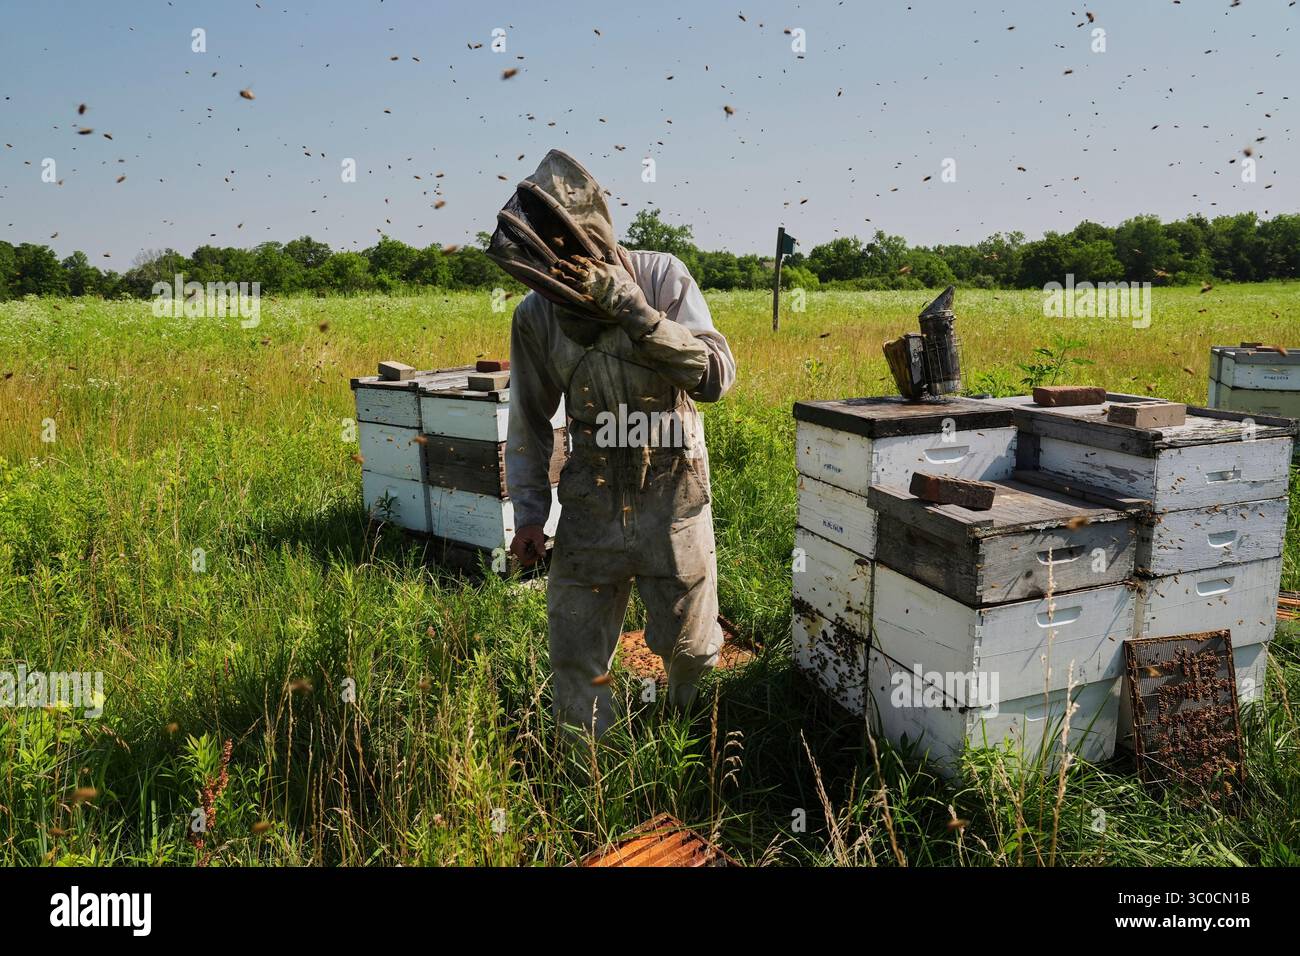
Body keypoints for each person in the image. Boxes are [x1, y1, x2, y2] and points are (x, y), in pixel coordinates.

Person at [486, 149, 736, 739]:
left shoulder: (662, 277)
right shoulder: (535, 316)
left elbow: (716, 377)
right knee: (575, 650)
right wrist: (528, 515)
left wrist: (635, 312)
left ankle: (682, 737)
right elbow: (528, 421)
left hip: (672, 496)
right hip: (592, 503)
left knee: (691, 649)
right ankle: (589, 774)